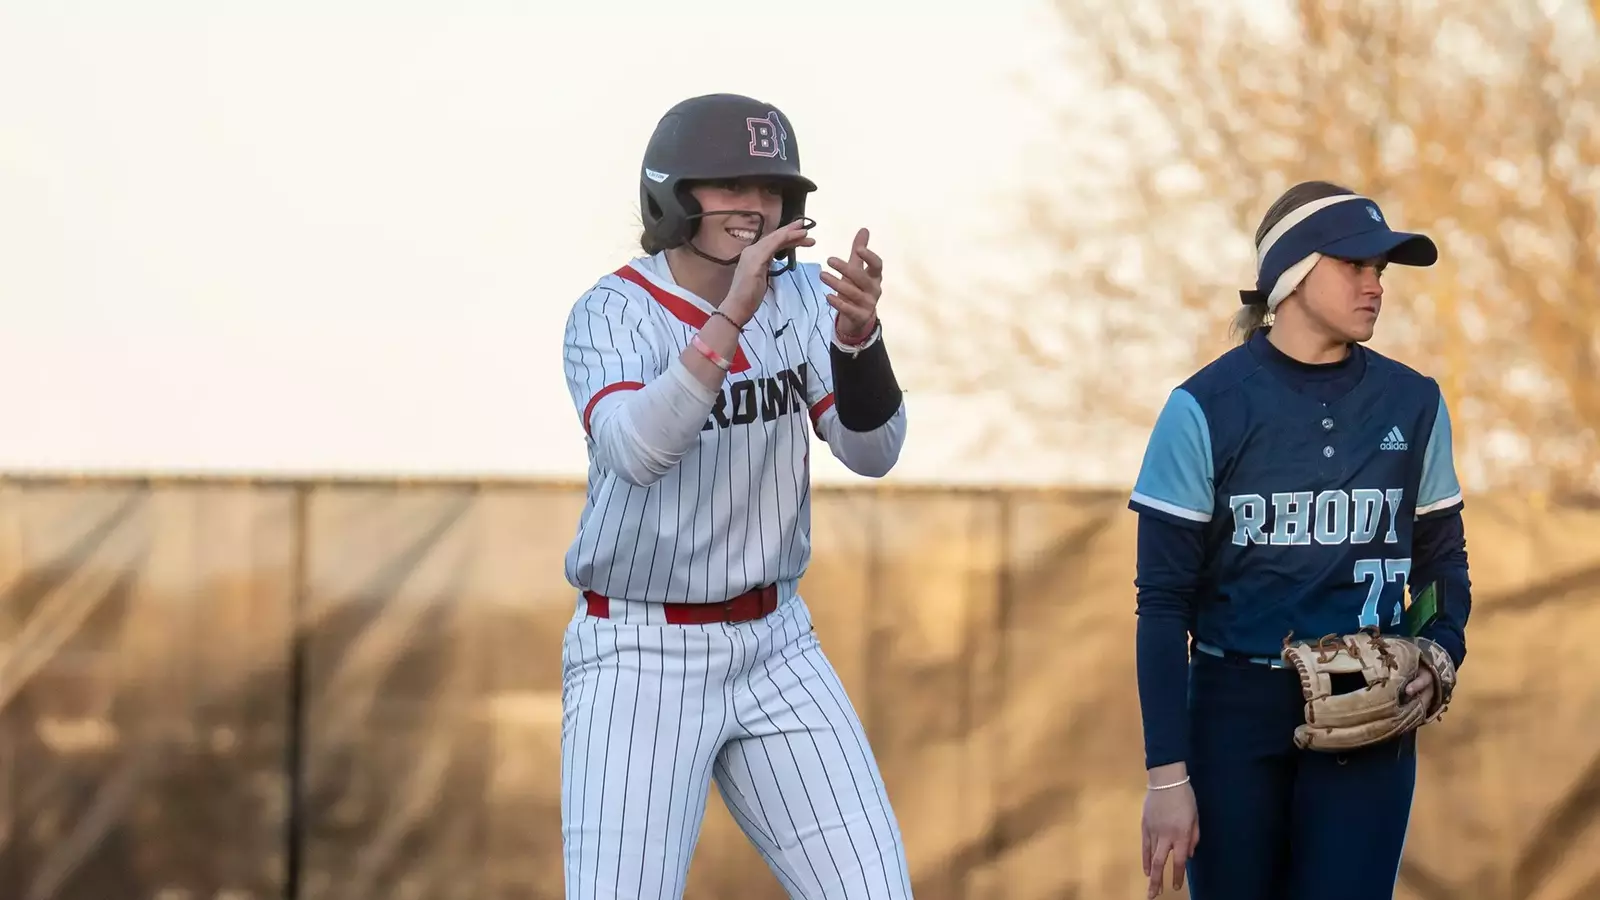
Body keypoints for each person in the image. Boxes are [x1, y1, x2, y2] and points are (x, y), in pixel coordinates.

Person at [557, 92, 915, 900]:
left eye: (771, 189)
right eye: (729, 185)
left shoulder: (802, 297)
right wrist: (729, 317)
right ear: (672, 195)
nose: (754, 205)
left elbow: (873, 452)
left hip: (777, 642)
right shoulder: (612, 312)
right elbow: (636, 450)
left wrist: (858, 342)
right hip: (640, 651)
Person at [1127, 180, 1473, 899]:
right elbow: (1161, 604)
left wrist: (1441, 649)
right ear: (1292, 272)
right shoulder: (1203, 408)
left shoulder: (1414, 403)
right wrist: (1167, 776)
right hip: (1232, 714)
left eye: (1381, 269)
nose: (1376, 285)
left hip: (1372, 710)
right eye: (1355, 265)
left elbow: (1443, 560)